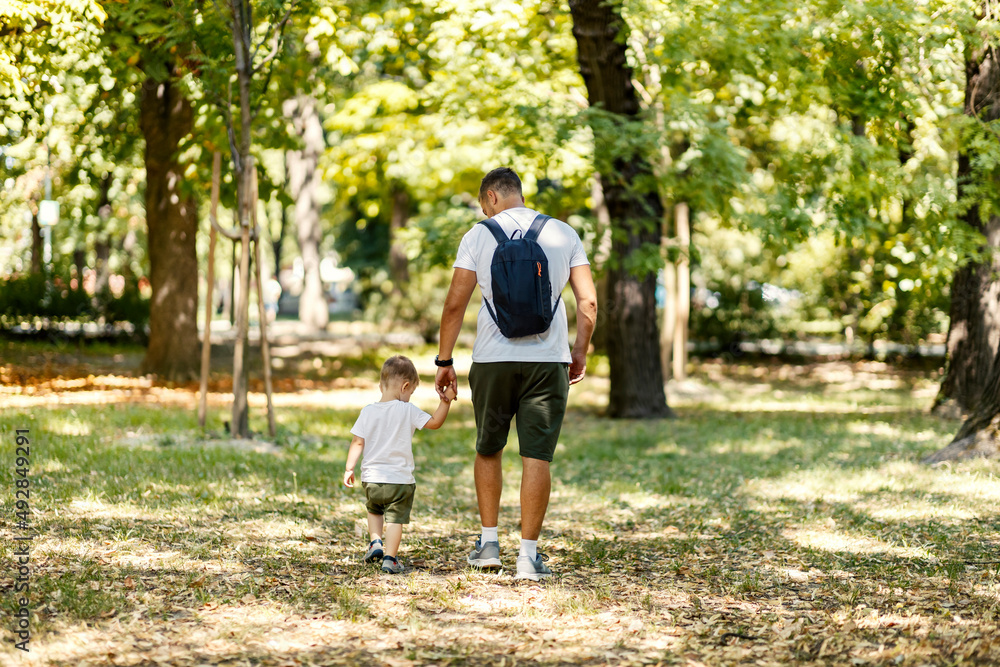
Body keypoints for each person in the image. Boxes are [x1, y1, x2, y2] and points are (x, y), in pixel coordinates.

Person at [434, 167, 598, 581]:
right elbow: (589, 303)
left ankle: (489, 544)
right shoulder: (564, 234)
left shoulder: (478, 235)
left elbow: (455, 304)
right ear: (518, 194)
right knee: (536, 456)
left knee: (489, 447)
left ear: (490, 197)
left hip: (493, 359)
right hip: (548, 360)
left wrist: (444, 360)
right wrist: (578, 350)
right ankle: (528, 556)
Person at [344, 355, 455, 574]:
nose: (409, 396)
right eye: (410, 392)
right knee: (395, 520)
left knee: (374, 510)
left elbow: (358, 441)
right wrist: (446, 401)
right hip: (400, 481)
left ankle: (375, 543)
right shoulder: (408, 410)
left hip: (372, 479)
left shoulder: (367, 411)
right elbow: (434, 423)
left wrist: (349, 468)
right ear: (405, 386)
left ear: (380, 385)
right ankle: (390, 558)